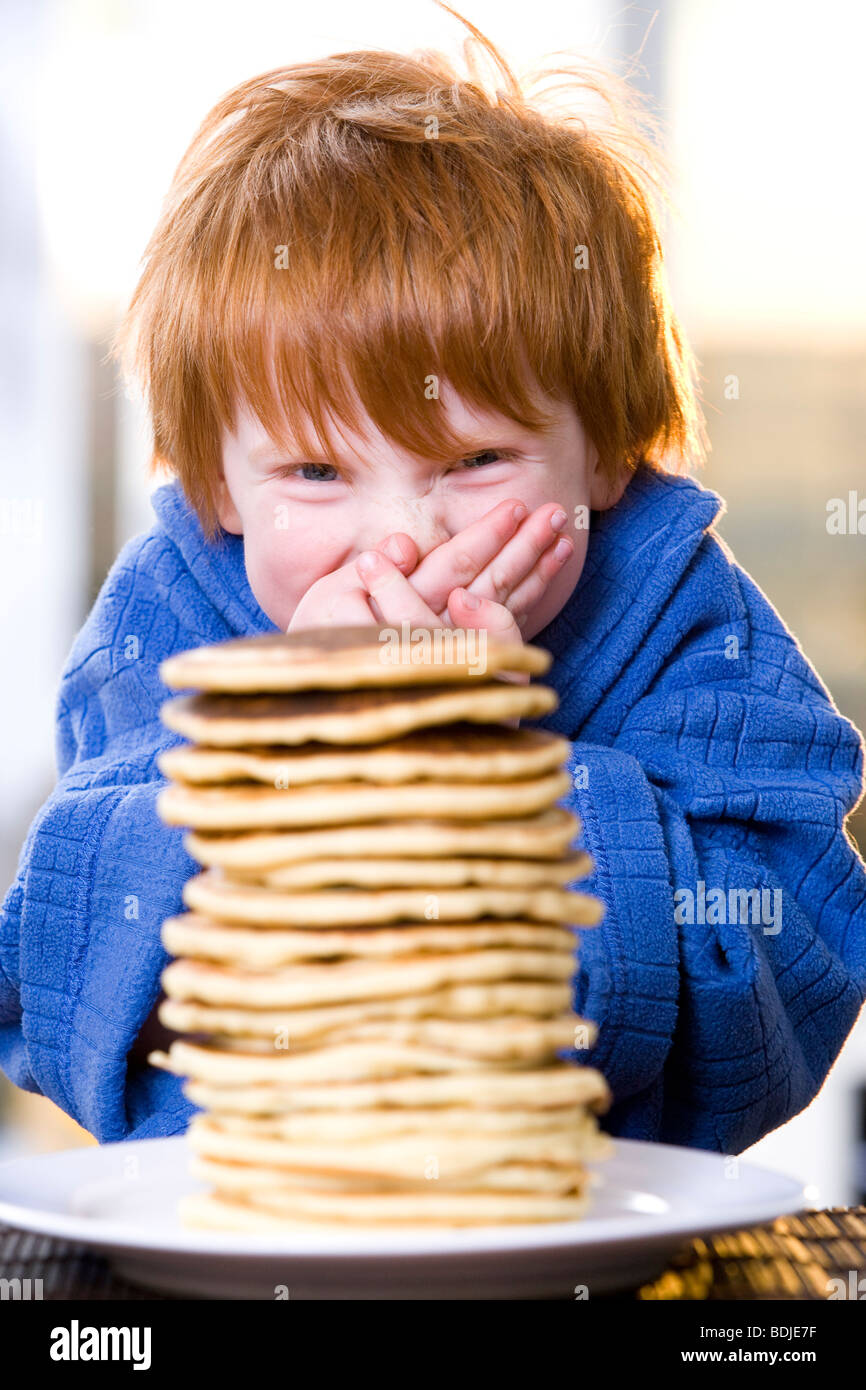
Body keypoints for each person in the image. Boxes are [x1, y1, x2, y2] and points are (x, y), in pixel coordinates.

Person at [2, 16, 864, 1150]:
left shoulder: (682, 616)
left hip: (587, 1216)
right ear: (215, 484)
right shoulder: (168, 611)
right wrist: (286, 744)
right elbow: (57, 965)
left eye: (474, 462)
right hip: (265, 1212)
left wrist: (486, 776)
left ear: (607, 449)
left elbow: (793, 962)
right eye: (315, 471)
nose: (399, 539)